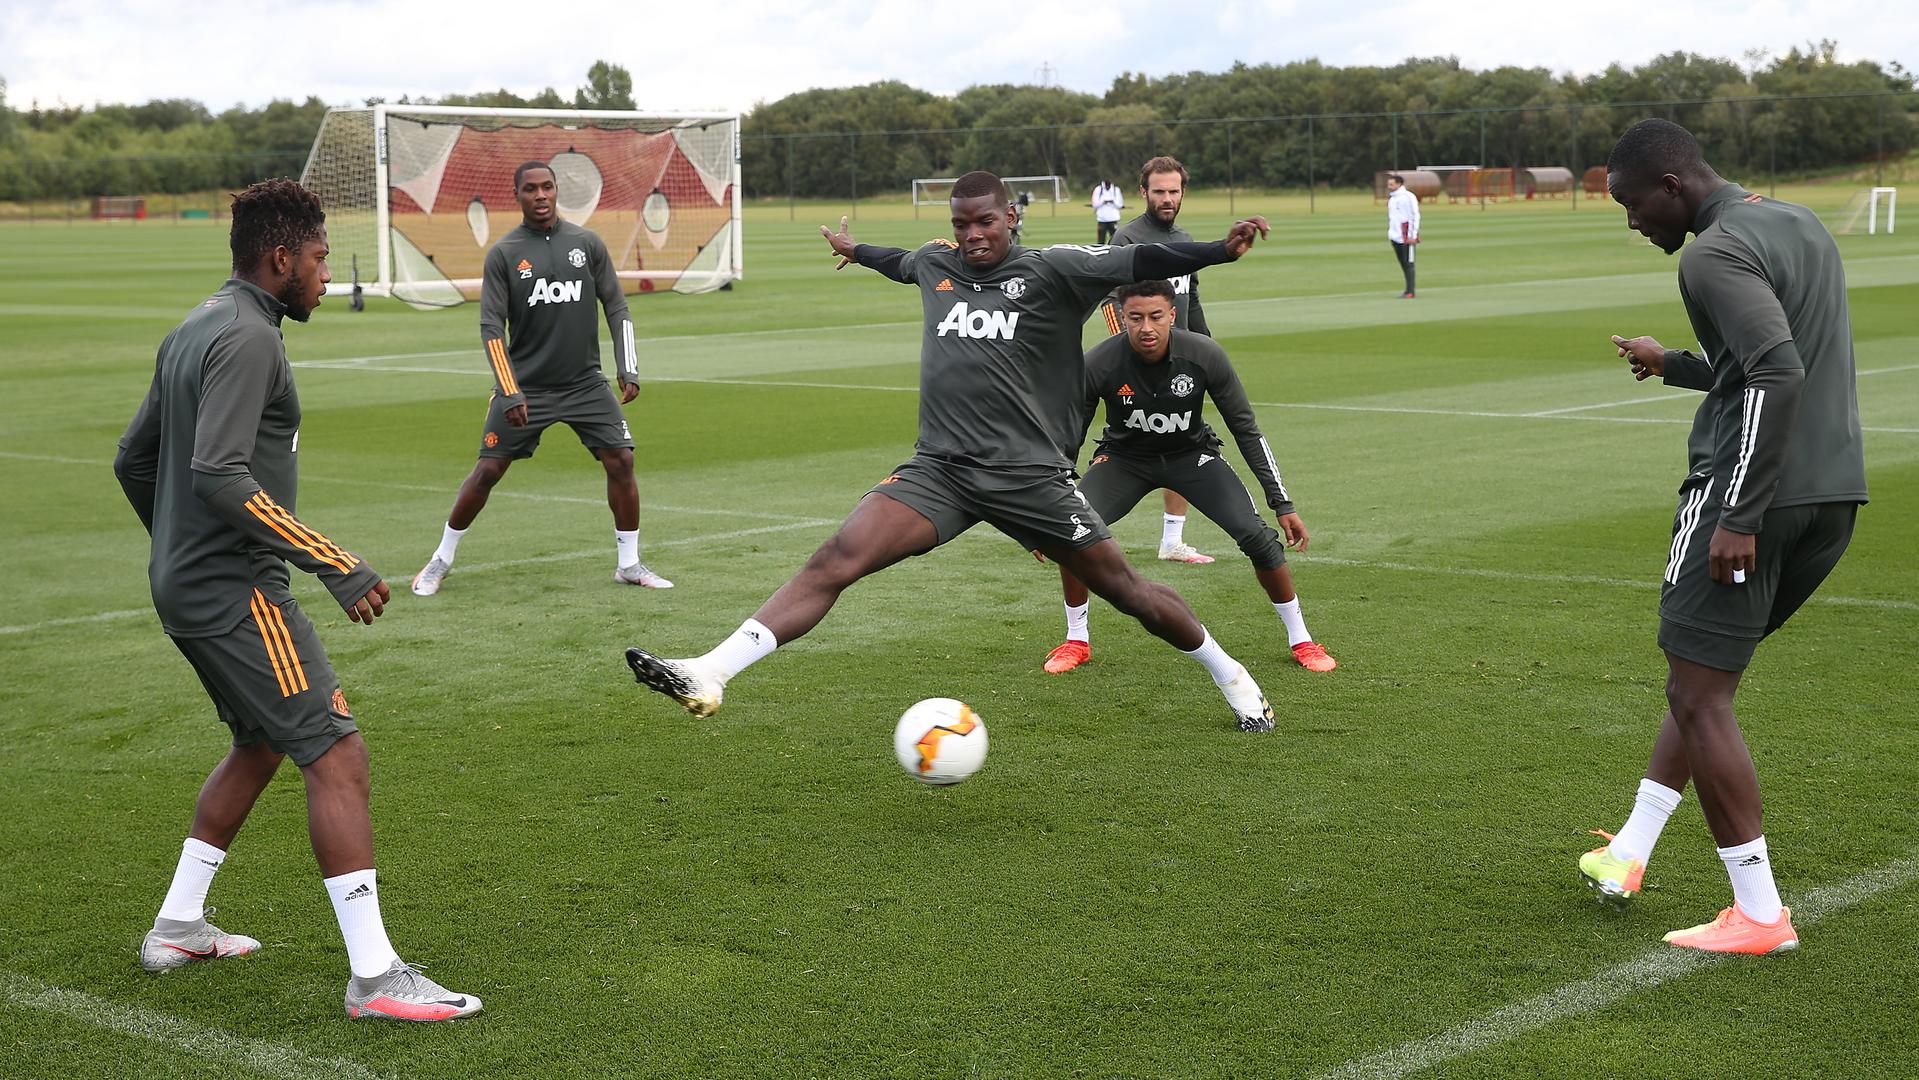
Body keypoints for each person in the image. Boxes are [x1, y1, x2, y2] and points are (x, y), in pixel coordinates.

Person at [624, 171, 1280, 732]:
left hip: (1030, 477)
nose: (971, 236)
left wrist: (1219, 250)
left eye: (984, 222)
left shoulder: (1056, 270)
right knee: (836, 559)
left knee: (1129, 594)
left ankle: (1231, 676)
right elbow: (900, 262)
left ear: (1011, 217)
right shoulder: (937, 263)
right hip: (940, 471)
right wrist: (855, 250)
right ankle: (709, 672)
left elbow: (1139, 264)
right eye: (961, 224)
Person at [114, 178, 481, 1020]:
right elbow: (214, 473)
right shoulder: (248, 338)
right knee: (334, 751)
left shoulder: (198, 324)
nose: (326, 275)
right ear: (280, 257)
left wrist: (177, 549)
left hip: (194, 581)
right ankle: (376, 977)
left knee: (262, 741)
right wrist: (335, 562)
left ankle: (177, 926)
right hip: (237, 589)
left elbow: (135, 462)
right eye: (318, 258)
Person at [1578, 119, 1867, 954]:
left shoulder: (1709, 253)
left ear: (1671, 186)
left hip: (1754, 500)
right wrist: (1668, 360)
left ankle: (1758, 913)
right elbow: (1769, 354)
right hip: (1831, 495)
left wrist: (1736, 515)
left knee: (1699, 693)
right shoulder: (1797, 222)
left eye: (1631, 204)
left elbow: (1775, 371)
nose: (1632, 223)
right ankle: (1628, 852)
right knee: (1700, 682)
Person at [1041, 281, 1337, 676]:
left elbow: (1246, 429)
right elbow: (1066, 439)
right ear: (1121, 319)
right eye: (1136, 318)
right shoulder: (1099, 363)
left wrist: (1281, 502)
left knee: (1258, 539)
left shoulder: (1204, 355)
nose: (1146, 327)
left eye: (1156, 317)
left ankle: (1301, 640)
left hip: (1191, 457)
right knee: (1072, 534)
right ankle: (1076, 640)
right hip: (1124, 460)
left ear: (1172, 316)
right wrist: (1050, 511)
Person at [410, 160, 670, 597]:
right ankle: (441, 558)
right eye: (530, 189)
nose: (541, 195)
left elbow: (616, 306)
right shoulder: (504, 254)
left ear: (556, 191)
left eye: (547, 187)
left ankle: (629, 563)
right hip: (526, 389)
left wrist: (628, 367)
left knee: (621, 460)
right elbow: (491, 328)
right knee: (488, 470)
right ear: (518, 196)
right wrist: (510, 390)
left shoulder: (586, 244)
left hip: (586, 384)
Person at [1095, 155, 1218, 565]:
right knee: (1125, 447)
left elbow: (1191, 299)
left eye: (1174, 191)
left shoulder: (1184, 236)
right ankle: (1083, 533)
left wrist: (1206, 350)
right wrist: (1129, 357)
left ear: (1183, 193)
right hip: (1137, 366)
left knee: (1183, 441)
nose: (1167, 198)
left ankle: (1172, 541)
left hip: (1179, 366)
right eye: (1159, 191)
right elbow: (1110, 302)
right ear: (1143, 192)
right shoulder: (1128, 240)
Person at [1385, 173, 1420, 298]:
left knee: (1409, 263)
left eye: (1391, 184)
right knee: (1403, 263)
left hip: (1407, 236)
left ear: (1399, 184)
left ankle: (1410, 291)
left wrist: (1413, 235)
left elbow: (1415, 216)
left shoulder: (1408, 197)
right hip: (1395, 236)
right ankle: (1407, 290)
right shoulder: (1392, 199)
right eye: (1388, 184)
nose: (1389, 186)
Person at [1090, 178, 1124, 244]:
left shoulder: (1116, 190)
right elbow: (1094, 204)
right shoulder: (1098, 190)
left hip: (1113, 218)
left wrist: (1113, 202)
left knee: (1115, 239)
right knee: (1101, 241)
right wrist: (1103, 202)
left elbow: (1120, 205)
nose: (1107, 188)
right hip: (1102, 219)